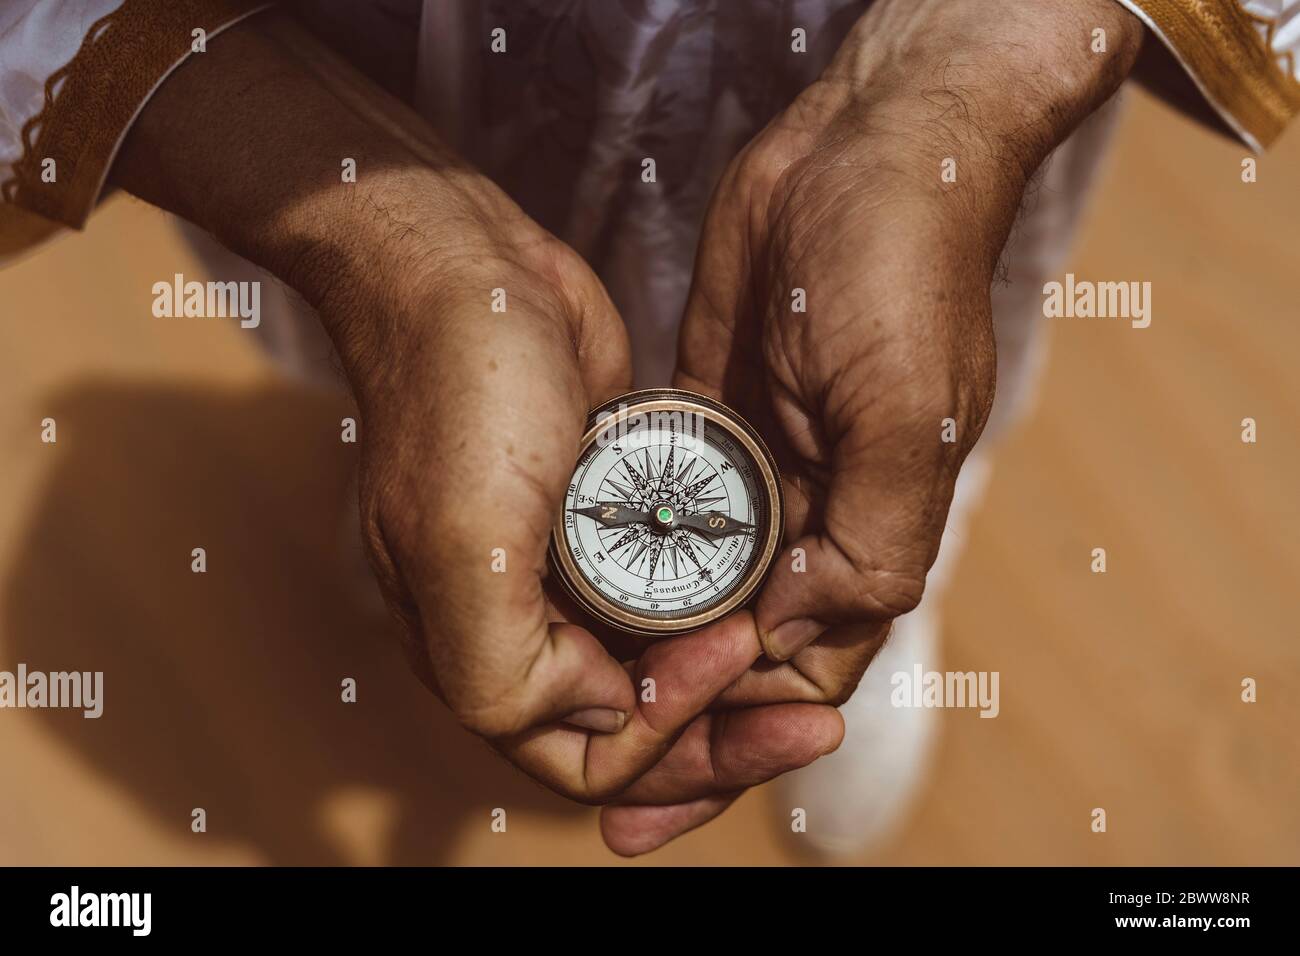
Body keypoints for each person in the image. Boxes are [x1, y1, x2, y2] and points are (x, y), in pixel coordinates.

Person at [2, 0, 1296, 858]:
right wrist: (391, 259)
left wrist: (947, 94)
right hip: (389, 56)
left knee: (887, 406)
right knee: (428, 378)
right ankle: (426, 467)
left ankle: (877, 583)